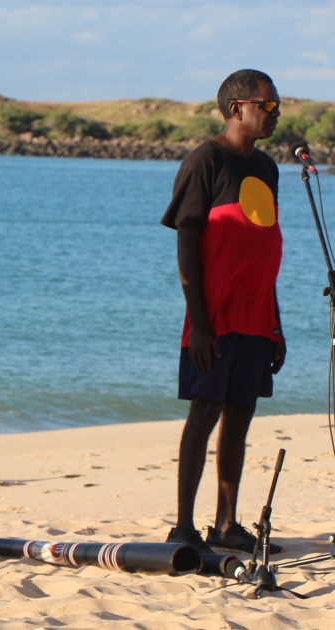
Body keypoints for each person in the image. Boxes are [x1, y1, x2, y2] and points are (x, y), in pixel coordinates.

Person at [161, 68, 285, 556]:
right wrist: (201, 323)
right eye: (268, 105)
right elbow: (187, 245)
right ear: (238, 107)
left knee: (241, 414)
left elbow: (263, 250)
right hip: (213, 317)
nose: (276, 114)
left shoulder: (269, 168)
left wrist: (275, 326)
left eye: (277, 106)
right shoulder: (204, 160)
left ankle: (227, 525)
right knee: (204, 413)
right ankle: (185, 527)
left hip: (257, 318)